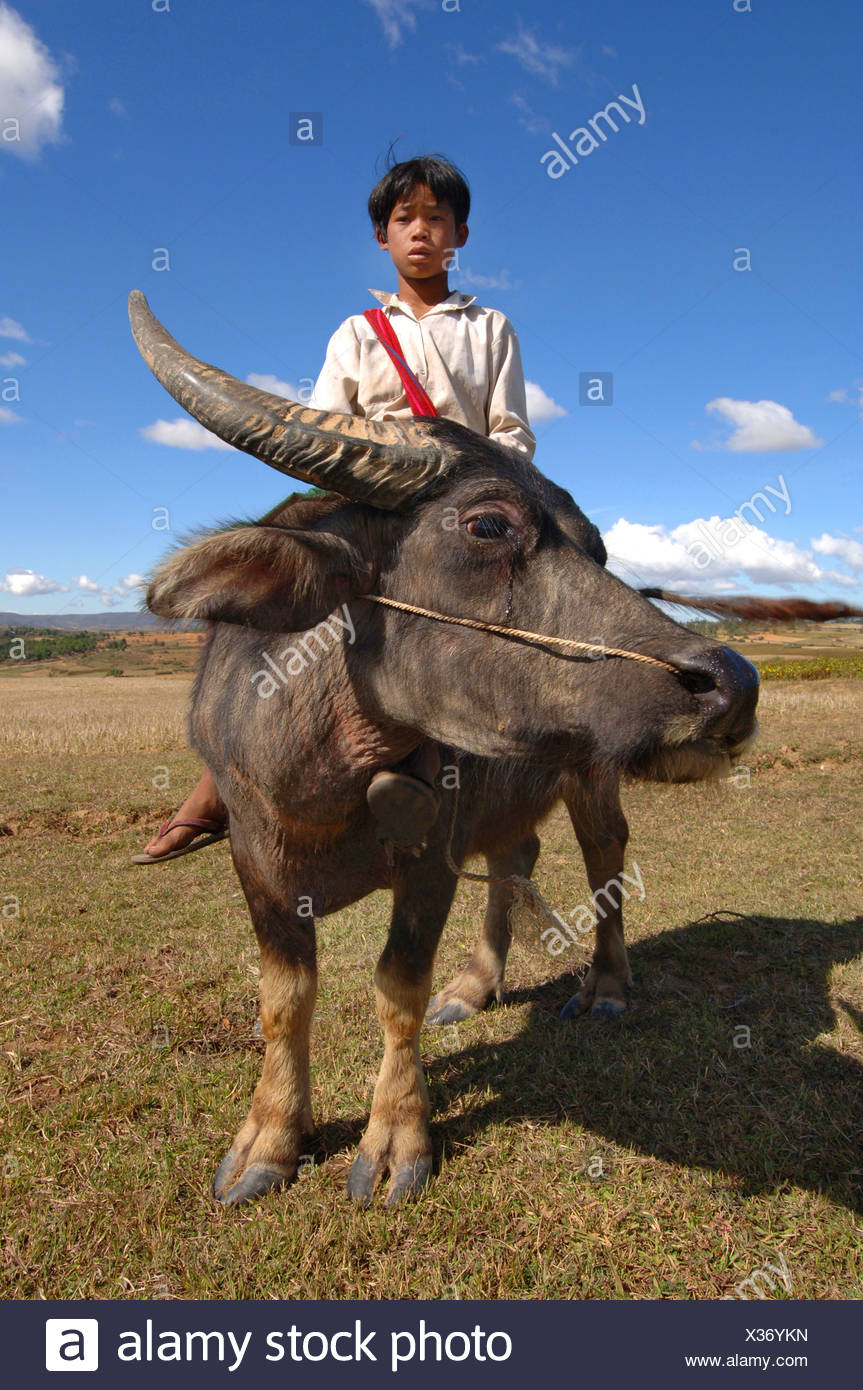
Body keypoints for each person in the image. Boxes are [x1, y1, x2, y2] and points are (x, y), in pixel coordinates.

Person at [133, 154, 535, 864]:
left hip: (465, 508)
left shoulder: (491, 327)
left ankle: (442, 774)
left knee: (497, 627)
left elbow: (510, 432)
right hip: (374, 503)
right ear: (382, 237)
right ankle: (221, 776)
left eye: (435, 218)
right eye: (403, 219)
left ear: (460, 234)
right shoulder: (355, 333)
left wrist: (484, 480)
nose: (420, 231)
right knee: (277, 593)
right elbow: (322, 429)